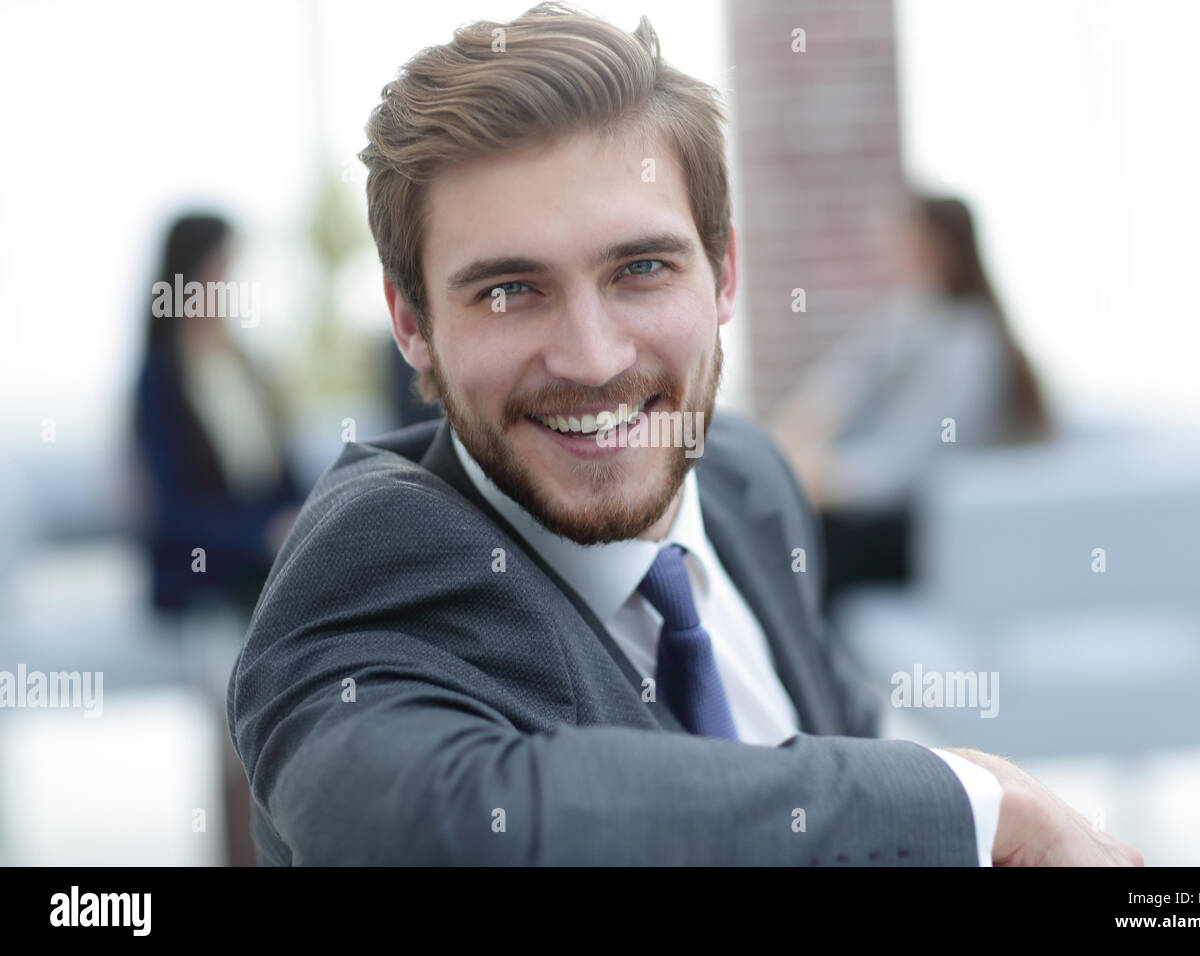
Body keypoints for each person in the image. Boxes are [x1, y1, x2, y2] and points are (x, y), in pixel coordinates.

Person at [226, 2, 1140, 867]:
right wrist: (965, 799)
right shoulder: (373, 561)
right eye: (510, 290)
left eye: (643, 267)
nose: (591, 358)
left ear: (726, 271)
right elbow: (448, 827)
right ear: (412, 321)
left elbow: (834, 748)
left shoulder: (744, 480)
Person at [773, 192, 1051, 603]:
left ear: (936, 247)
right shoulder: (908, 316)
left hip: (925, 522)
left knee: (803, 547)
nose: (890, 247)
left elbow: (916, 457)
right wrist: (793, 435)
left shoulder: (969, 341)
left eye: (904, 236)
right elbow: (839, 384)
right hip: (882, 504)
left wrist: (827, 479)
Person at [132, 213, 301, 616]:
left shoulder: (247, 368)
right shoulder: (159, 381)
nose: (231, 284)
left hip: (266, 567)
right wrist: (262, 535)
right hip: (206, 580)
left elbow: (284, 480)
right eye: (221, 267)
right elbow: (172, 516)